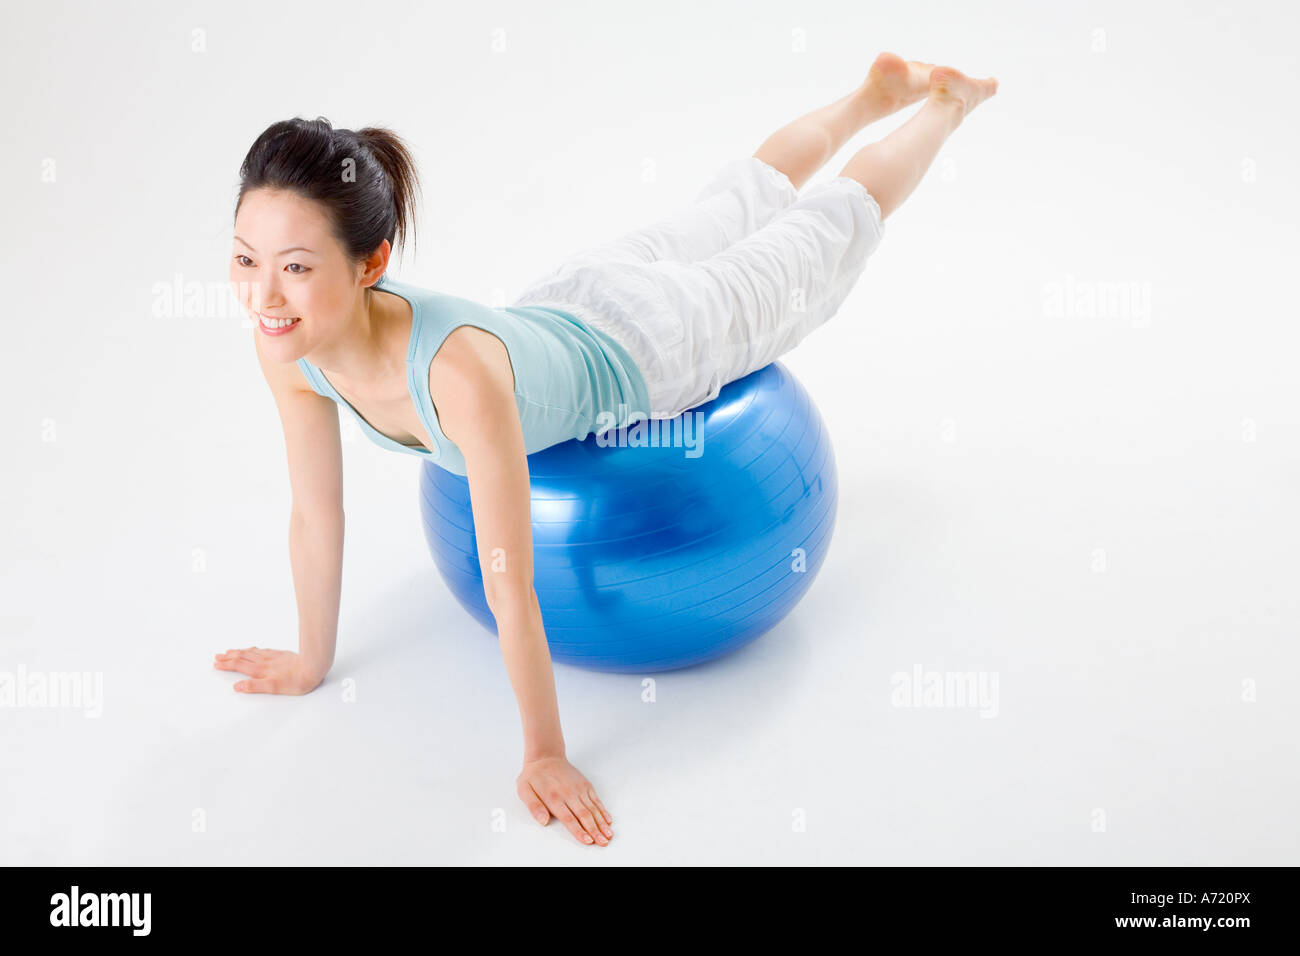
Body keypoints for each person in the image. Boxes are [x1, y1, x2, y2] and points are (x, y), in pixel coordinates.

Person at [215, 53, 998, 848]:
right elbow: (316, 512)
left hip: (655, 344)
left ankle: (945, 104)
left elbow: (512, 586)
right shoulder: (290, 345)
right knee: (736, 202)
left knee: (825, 230)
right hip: (576, 294)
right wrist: (313, 662)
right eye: (246, 260)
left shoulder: (454, 378)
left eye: (297, 268)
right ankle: (872, 95)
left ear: (371, 264)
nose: (264, 296)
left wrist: (544, 754)